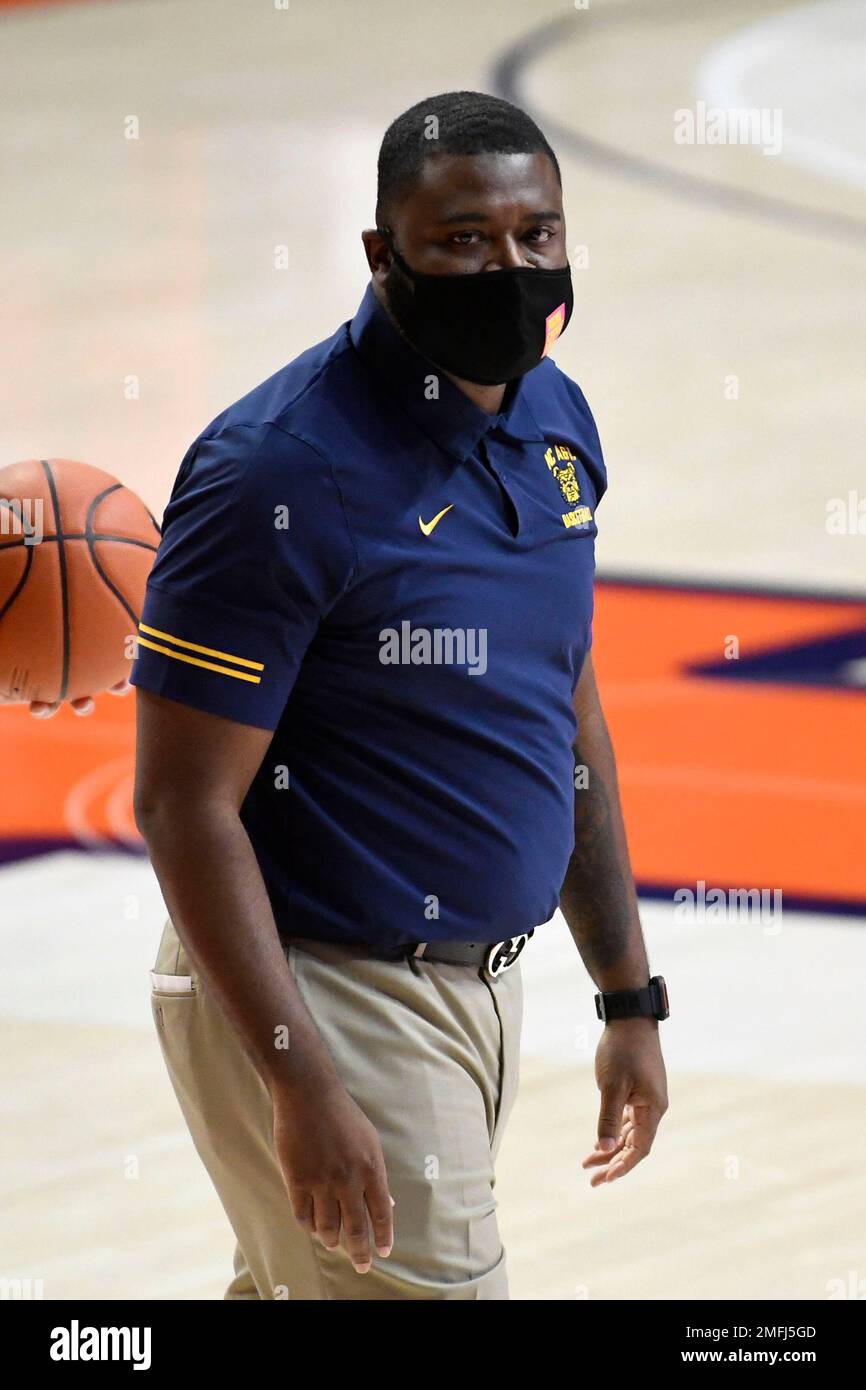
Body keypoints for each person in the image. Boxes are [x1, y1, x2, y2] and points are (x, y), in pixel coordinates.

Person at [45, 90, 669, 1300]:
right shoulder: (277, 470)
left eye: (535, 235)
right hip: (324, 990)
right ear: (383, 254)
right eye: (463, 240)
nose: (509, 268)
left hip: (476, 986)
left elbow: (567, 711)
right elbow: (181, 804)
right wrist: (300, 1078)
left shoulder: (554, 417)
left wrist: (626, 993)